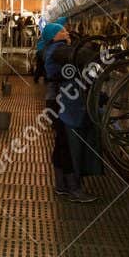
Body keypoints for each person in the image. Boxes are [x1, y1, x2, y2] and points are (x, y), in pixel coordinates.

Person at [42, 25, 97, 203]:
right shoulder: (57, 51)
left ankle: (61, 185)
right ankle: (74, 188)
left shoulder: (54, 49)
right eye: (62, 31)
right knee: (68, 146)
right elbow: (78, 56)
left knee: (61, 144)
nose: (67, 33)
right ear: (54, 35)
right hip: (61, 103)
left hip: (56, 101)